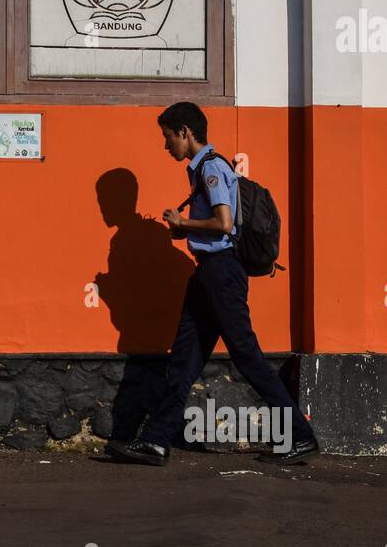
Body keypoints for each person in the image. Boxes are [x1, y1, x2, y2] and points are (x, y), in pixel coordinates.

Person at [106, 102, 320, 467]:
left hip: (222, 273)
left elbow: (224, 224)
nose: (166, 145)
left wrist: (183, 222)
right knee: (184, 362)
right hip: (207, 273)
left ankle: (301, 436)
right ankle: (157, 441)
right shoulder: (202, 171)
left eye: (168, 136)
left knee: (247, 356)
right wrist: (183, 229)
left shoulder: (211, 169)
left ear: (186, 133)